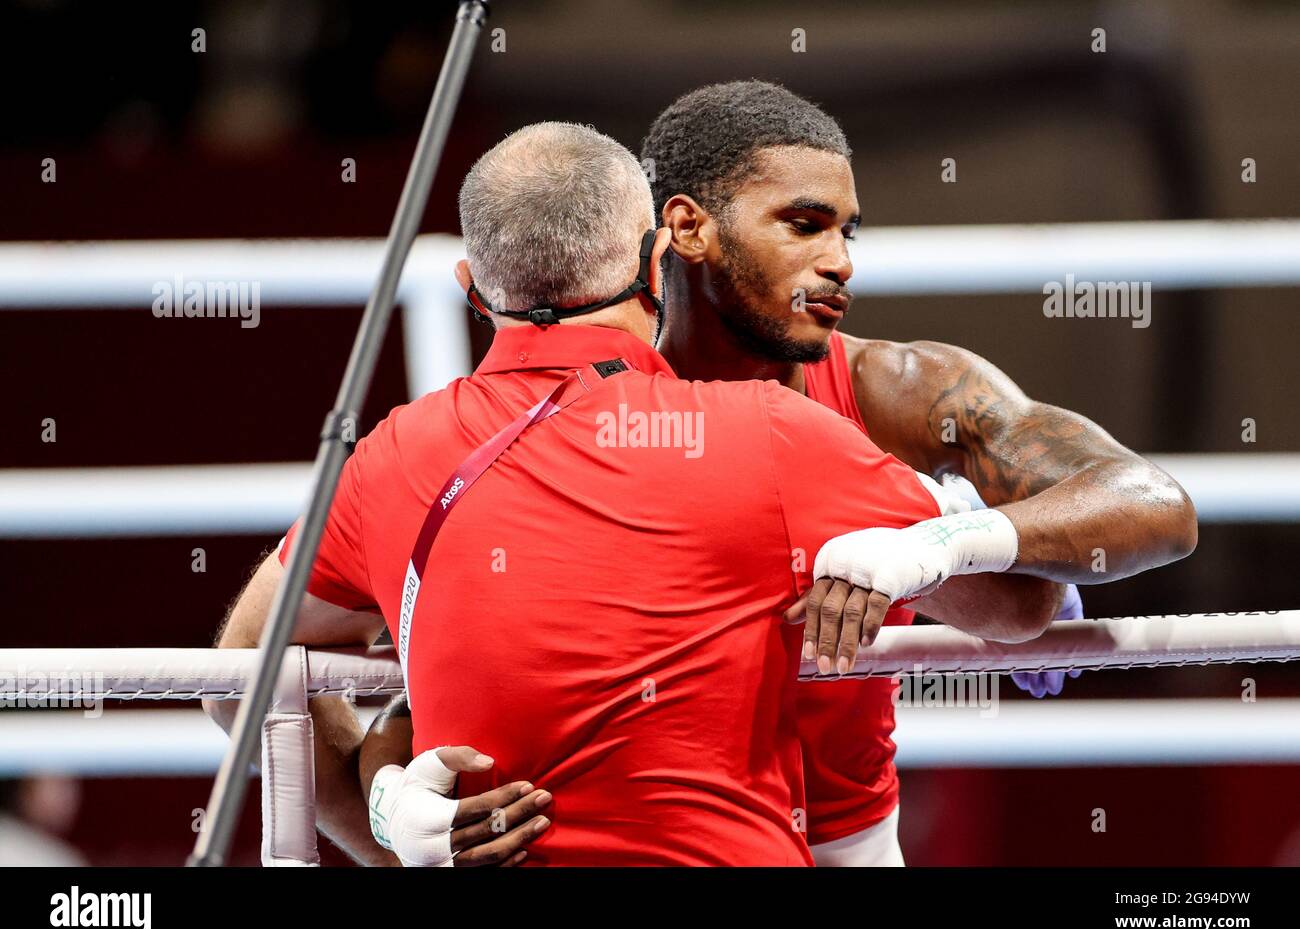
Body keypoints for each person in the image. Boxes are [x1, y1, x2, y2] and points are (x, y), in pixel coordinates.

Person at [357, 81, 1197, 867]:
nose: (841, 262)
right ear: (685, 229)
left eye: (848, 231)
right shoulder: (571, 417)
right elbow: (463, 657)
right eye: (804, 224)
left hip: (852, 834)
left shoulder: (895, 389)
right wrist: (386, 798)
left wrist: (954, 540)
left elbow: (1156, 505)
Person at [208, 122, 1061, 866]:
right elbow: (1024, 608)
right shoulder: (770, 431)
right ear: (658, 258)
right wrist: (937, 540)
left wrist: (387, 826)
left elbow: (240, 673)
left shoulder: (393, 455)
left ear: (472, 290)